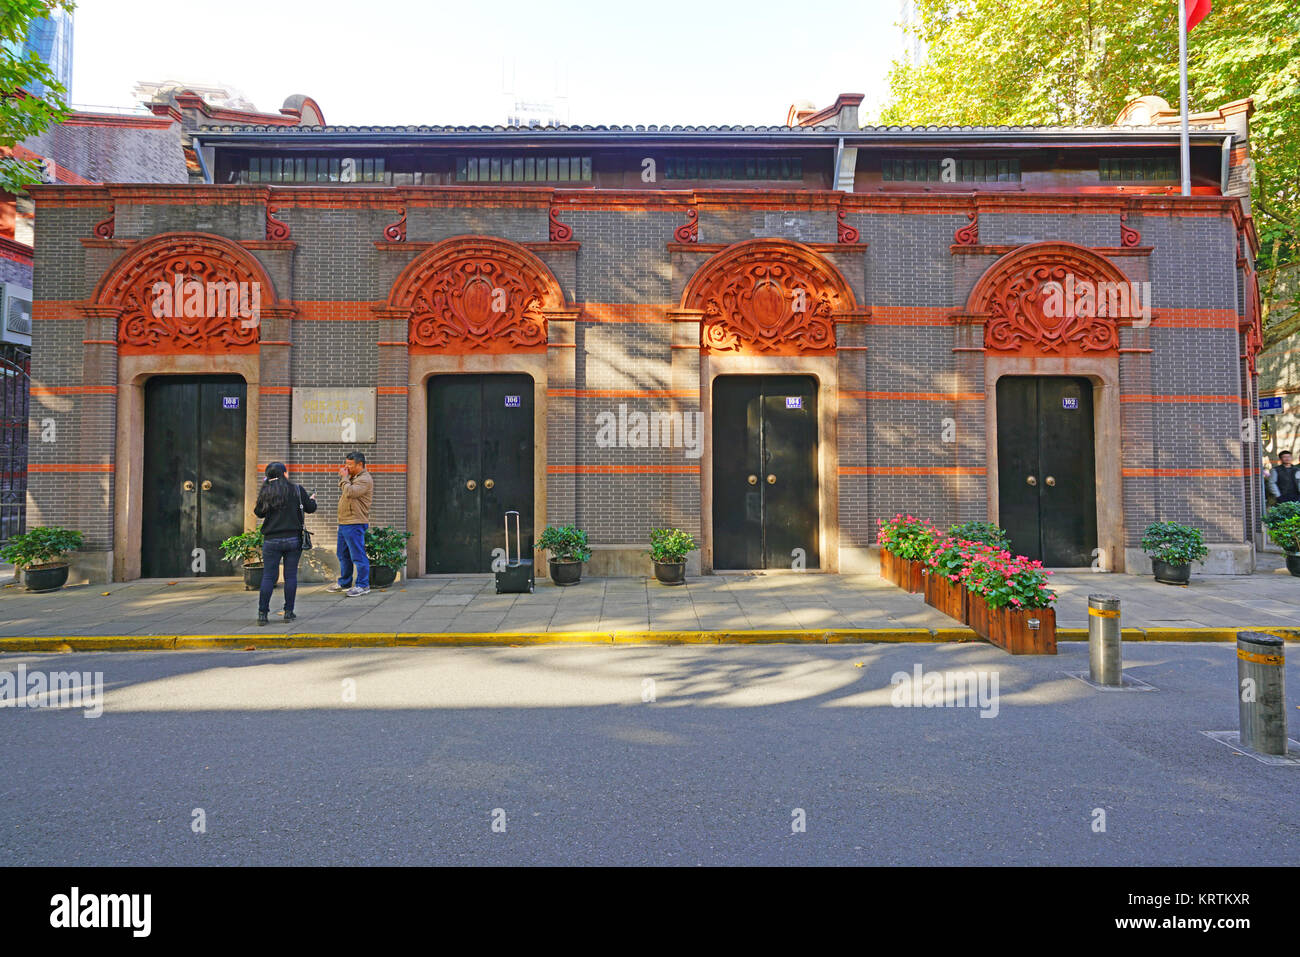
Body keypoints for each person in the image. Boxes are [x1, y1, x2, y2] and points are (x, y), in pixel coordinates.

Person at [252, 461, 317, 626]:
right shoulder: (296, 490)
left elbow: (259, 513)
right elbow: (310, 508)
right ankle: (288, 612)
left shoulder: (267, 492)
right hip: (293, 539)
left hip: (271, 540)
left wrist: (264, 488)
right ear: (284, 474)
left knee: (268, 576)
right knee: (290, 576)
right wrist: (311, 499)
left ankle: (262, 614)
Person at [328, 451, 373, 597]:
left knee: (358, 555)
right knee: (342, 554)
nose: (346, 467)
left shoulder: (365, 479)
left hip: (355, 522)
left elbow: (350, 492)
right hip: (344, 522)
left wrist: (344, 477)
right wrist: (346, 478)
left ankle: (363, 585)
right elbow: (344, 486)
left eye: (350, 465)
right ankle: (345, 582)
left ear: (360, 464)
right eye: (346, 464)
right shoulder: (353, 477)